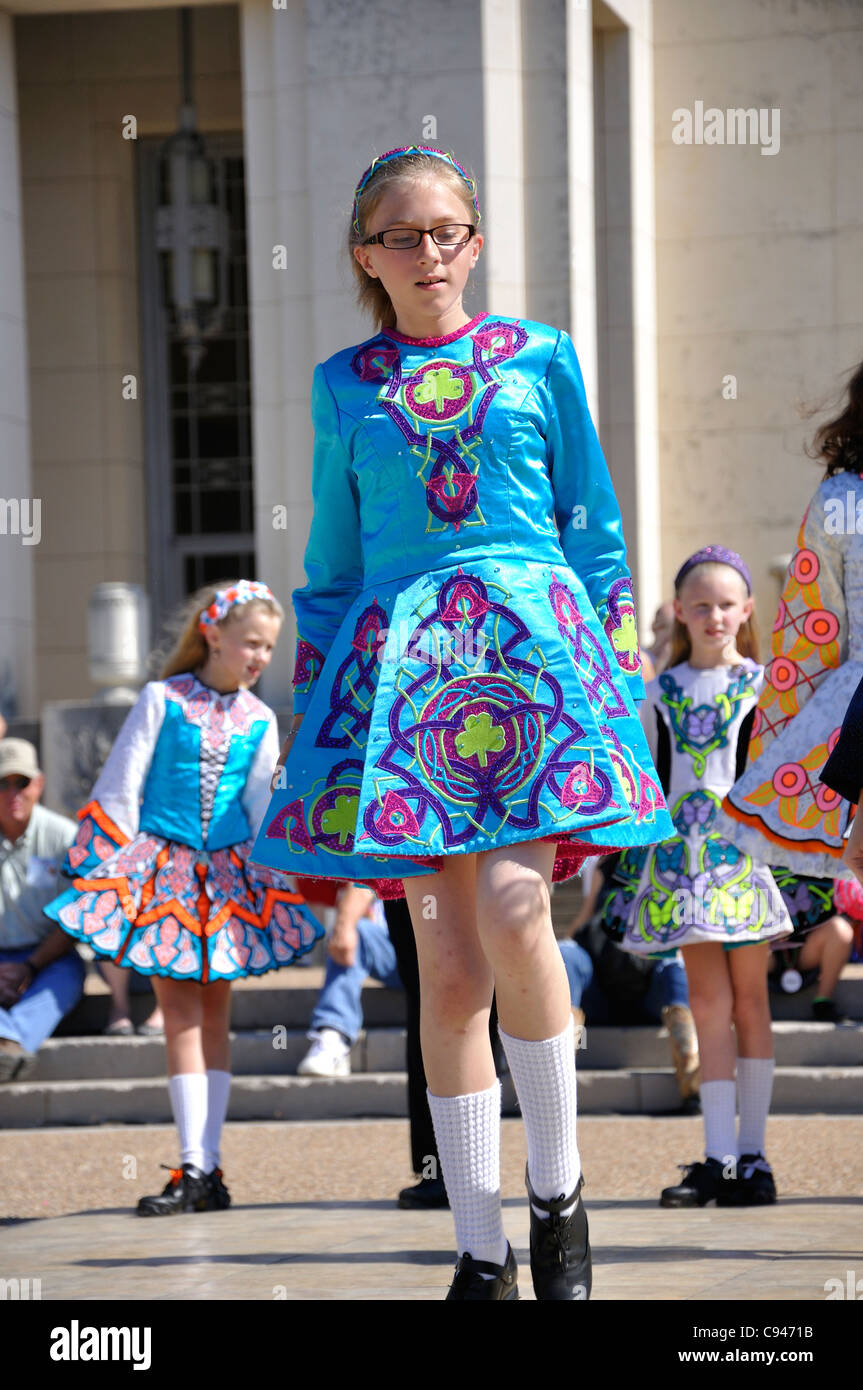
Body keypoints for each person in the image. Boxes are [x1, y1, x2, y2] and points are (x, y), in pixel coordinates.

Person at [251, 145, 674, 1300]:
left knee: (511, 905)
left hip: (534, 662)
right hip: (398, 681)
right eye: (403, 236)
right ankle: (476, 1246)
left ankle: (562, 1195)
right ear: (363, 257)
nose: (428, 252)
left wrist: (619, 672)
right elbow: (330, 564)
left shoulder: (541, 356)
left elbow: (591, 523)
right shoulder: (343, 385)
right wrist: (316, 710)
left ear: (474, 242)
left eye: (447, 231)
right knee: (442, 968)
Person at [44, 580, 323, 1215]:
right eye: (252, 643)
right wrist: (105, 864)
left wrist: (275, 877)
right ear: (212, 633)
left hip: (226, 880)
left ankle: (206, 1168)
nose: (260, 658)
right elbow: (122, 782)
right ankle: (197, 1167)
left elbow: (258, 804)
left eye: (270, 649)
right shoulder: (160, 698)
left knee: (213, 1019)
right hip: (162, 867)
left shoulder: (257, 718)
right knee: (181, 1018)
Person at [619, 548, 793, 1209]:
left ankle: (754, 1157)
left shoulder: (763, 684)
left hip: (742, 856)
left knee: (750, 1003)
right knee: (707, 1007)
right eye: (700, 604)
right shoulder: (657, 693)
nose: (714, 615)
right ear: (678, 612)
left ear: (746, 611)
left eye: (726, 604)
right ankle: (717, 1156)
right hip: (681, 863)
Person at [0, 739, 85, 1080]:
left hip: (47, 956)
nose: (12, 793)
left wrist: (31, 967)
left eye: (21, 782)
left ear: (39, 783)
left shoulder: (65, 837)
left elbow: (75, 918)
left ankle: (9, 1037)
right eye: (2, 783)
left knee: (67, 976)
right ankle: (11, 1043)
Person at [298, 883, 399, 1076]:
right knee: (351, 930)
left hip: (456, 957)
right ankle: (334, 1035)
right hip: (400, 953)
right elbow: (366, 871)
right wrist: (344, 926)